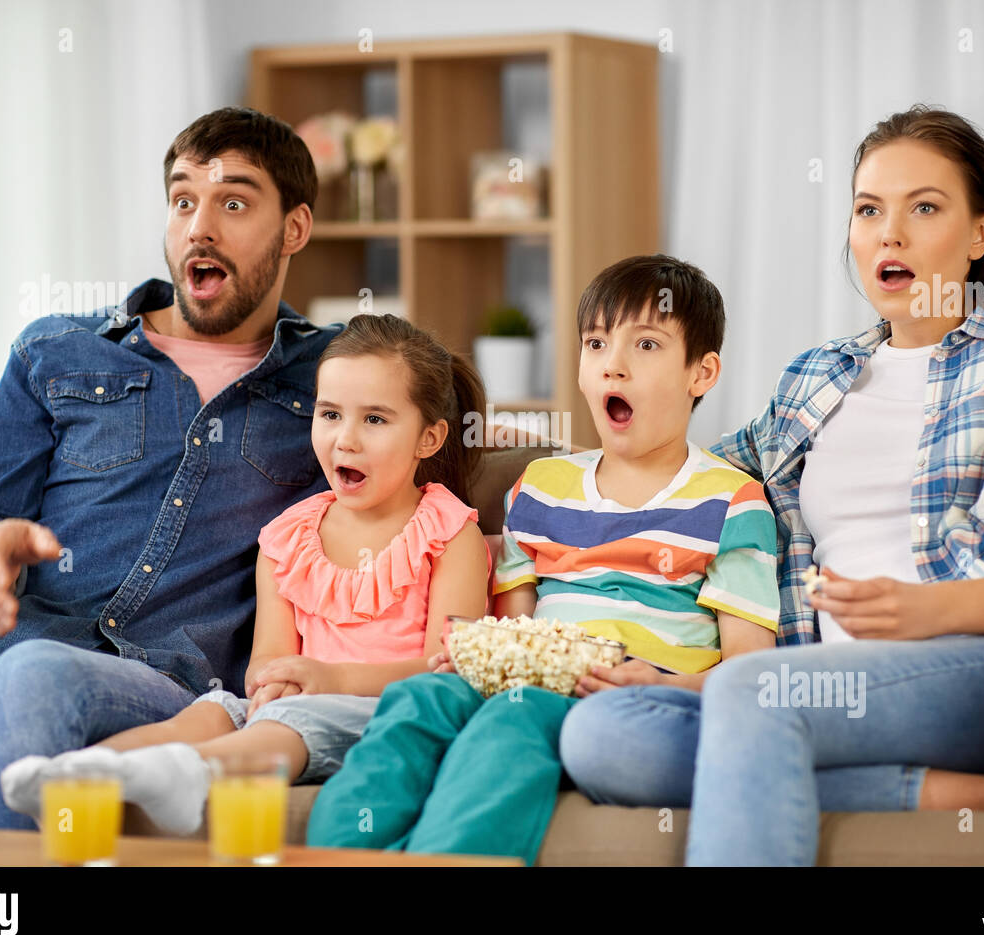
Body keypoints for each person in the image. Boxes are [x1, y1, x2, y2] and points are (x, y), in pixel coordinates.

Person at [560, 105, 984, 865]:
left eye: (923, 207)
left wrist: (929, 609)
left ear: (981, 233)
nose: (888, 233)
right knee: (605, 737)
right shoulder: (818, 376)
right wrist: (541, 479)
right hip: (816, 683)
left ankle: (762, 716)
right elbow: (689, 473)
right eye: (869, 210)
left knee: (753, 695)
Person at [0, 106, 347, 830]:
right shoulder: (56, 350)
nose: (199, 227)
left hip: (175, 695)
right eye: (183, 200)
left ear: (295, 230)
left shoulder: (337, 376)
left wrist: (482, 427)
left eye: (234, 202)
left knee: (40, 675)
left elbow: (429, 410)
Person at [305, 254, 782, 865]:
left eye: (646, 344)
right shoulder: (540, 488)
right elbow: (511, 627)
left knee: (515, 716)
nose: (614, 363)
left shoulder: (732, 500)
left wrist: (666, 684)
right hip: (531, 679)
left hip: (635, 700)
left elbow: (749, 670)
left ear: (702, 371)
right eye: (596, 343)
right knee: (419, 701)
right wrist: (473, 652)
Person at [0, 315, 491, 833]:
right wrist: (275, 682)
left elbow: (452, 671)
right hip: (300, 704)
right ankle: (79, 774)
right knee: (212, 711)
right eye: (329, 414)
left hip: (394, 715)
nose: (345, 440)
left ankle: (188, 776)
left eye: (375, 420)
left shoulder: (449, 531)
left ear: (429, 438)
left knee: (290, 722)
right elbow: (267, 662)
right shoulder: (287, 538)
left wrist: (334, 679)